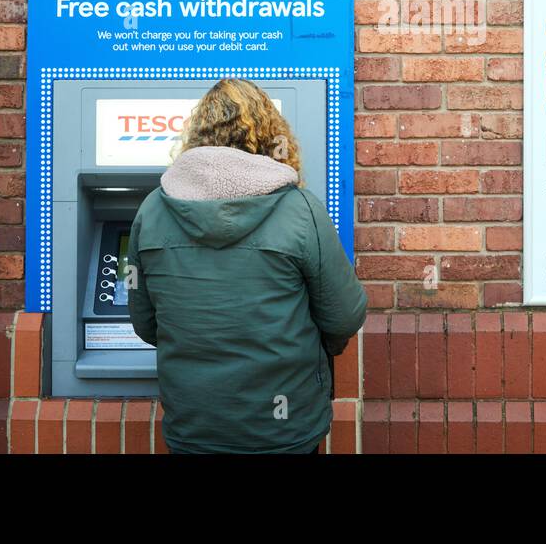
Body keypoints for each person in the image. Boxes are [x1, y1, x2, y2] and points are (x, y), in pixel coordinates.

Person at [127, 77, 367, 454]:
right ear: (271, 135)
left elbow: (144, 321)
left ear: (197, 134)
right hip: (284, 427)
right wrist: (317, 349)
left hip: (195, 426)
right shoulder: (300, 210)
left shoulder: (151, 211)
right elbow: (344, 315)